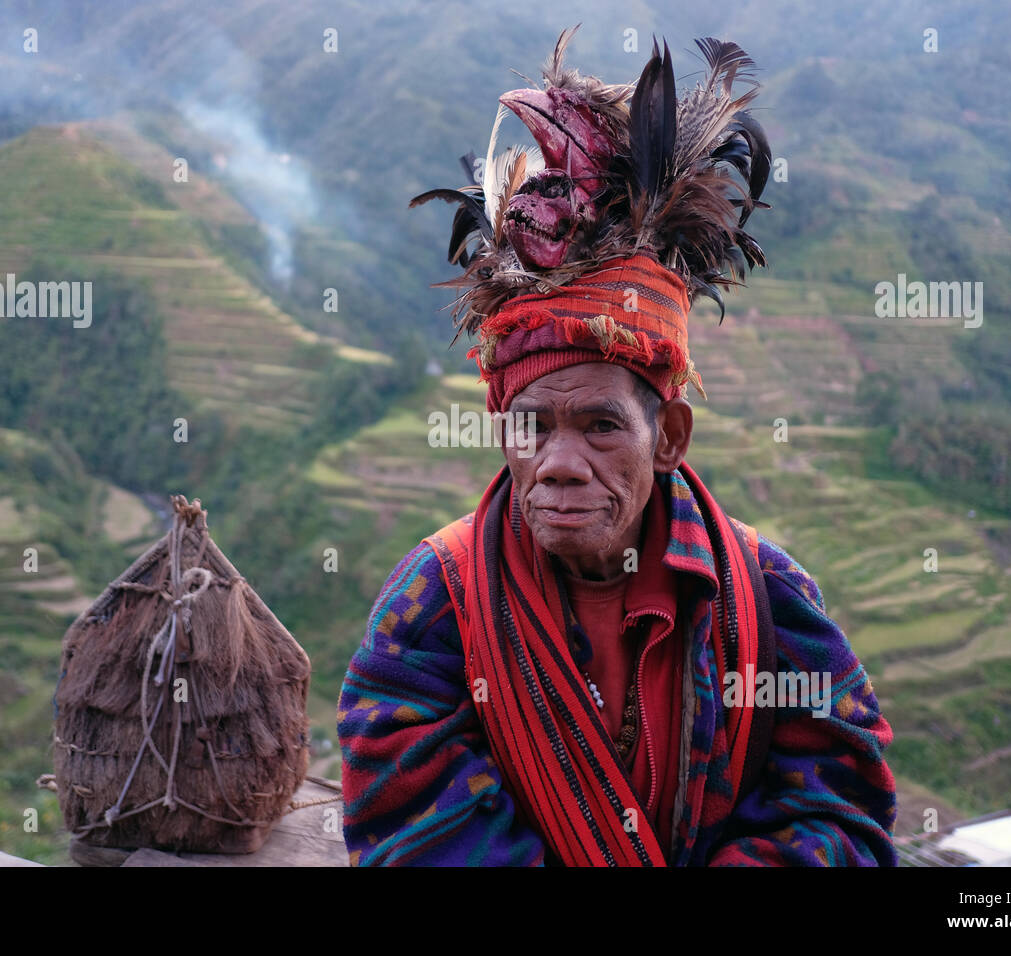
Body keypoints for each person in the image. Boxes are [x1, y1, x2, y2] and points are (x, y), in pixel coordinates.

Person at [337, 30, 898, 866]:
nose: (559, 462)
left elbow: (842, 807)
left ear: (668, 438)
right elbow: (411, 827)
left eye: (601, 425)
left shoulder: (766, 602)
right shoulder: (433, 609)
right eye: (533, 428)